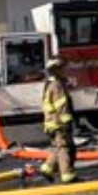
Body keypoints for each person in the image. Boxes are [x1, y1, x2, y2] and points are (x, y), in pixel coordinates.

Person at [38, 56, 78, 184]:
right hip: (59, 123)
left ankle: (47, 169)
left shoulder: (50, 84)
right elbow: (62, 106)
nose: (65, 70)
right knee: (65, 148)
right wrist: (66, 123)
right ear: (57, 70)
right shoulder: (57, 86)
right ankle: (67, 175)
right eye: (63, 68)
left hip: (52, 124)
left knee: (59, 147)